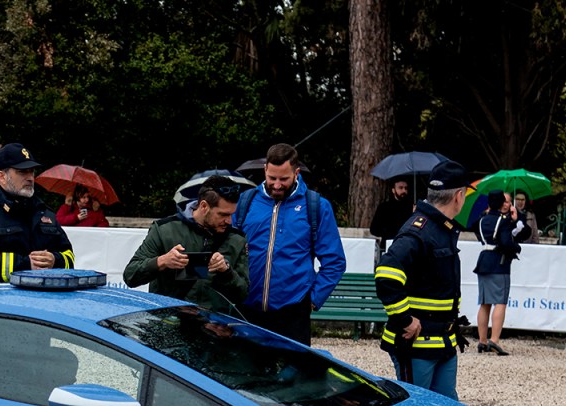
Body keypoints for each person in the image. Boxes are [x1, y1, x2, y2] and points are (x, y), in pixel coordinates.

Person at [374, 160, 470, 400]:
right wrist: (405, 319)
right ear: (459, 196)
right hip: (417, 344)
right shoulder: (420, 230)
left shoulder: (441, 228)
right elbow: (386, 274)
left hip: (442, 342)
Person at [233, 143, 347, 345]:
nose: (277, 185)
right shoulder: (245, 202)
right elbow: (228, 250)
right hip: (246, 310)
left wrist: (311, 300)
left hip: (293, 313)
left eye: (283, 179)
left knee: (294, 375)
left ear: (296, 173)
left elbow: (335, 261)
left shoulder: (317, 206)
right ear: (265, 170)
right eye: (272, 178)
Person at [123, 176, 249, 311]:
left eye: (232, 214)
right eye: (223, 215)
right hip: (168, 323)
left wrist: (226, 271)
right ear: (204, 206)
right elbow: (130, 276)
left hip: (214, 327)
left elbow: (242, 294)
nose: (229, 221)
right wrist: (162, 261)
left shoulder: (237, 239)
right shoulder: (165, 229)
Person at [0, 143, 75, 284]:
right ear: (2, 177)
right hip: (1, 301)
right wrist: (24, 265)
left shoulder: (44, 212)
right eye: (22, 172)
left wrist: (55, 260)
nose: (30, 177)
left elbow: (69, 257)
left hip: (42, 299)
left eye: (32, 171)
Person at [473, 191, 522, 356]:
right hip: (498, 262)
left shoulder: (481, 220)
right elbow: (506, 242)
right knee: (500, 302)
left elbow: (478, 233)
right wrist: (517, 248)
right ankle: (494, 339)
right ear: (502, 203)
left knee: (484, 303)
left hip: (483, 260)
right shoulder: (503, 221)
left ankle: (482, 340)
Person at [369, 179, 413, 246]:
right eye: (400, 188)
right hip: (388, 245)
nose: (404, 191)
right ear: (393, 190)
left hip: (407, 244)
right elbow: (374, 229)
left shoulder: (411, 207)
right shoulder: (384, 207)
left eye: (406, 188)